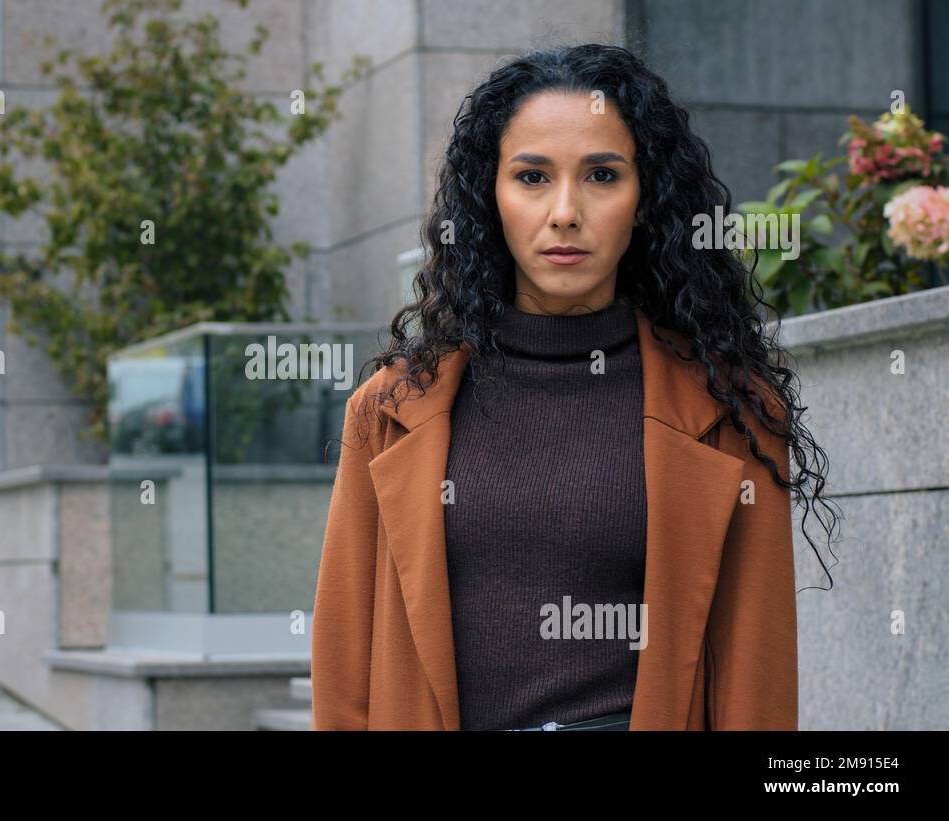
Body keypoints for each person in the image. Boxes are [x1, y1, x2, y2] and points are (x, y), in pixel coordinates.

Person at [310, 43, 840, 731]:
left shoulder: (731, 409)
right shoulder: (387, 409)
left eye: (601, 175)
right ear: (488, 197)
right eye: (532, 177)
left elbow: (755, 689)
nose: (565, 211)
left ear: (645, 199)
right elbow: (346, 670)